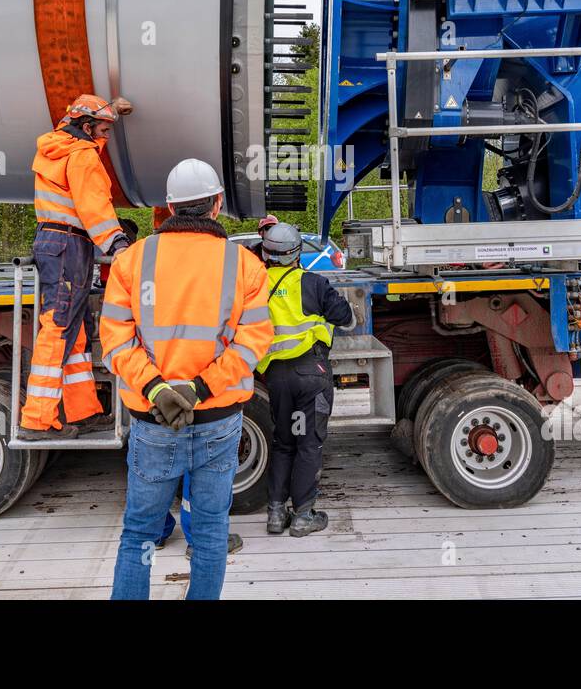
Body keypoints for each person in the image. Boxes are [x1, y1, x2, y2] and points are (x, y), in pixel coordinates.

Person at [102, 158, 272, 600]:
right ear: (217, 205)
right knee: (212, 531)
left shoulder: (131, 261)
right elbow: (252, 345)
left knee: (139, 532)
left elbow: (116, 342)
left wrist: (158, 389)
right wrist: (198, 389)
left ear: (170, 207)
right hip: (218, 418)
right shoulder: (245, 264)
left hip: (154, 420)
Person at [18, 94, 134, 440]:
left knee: (74, 329)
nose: (107, 136)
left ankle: (82, 412)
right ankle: (37, 421)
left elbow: (80, 122)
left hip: (60, 241)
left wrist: (111, 109)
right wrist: (116, 241)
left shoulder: (59, 147)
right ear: (86, 127)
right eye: (103, 128)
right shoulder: (82, 157)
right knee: (58, 326)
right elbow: (93, 204)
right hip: (70, 242)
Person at [257, 223, 355, 537]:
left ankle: (275, 514)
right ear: (297, 253)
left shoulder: (254, 287)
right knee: (308, 445)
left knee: (283, 444)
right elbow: (347, 319)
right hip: (311, 375)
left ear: (265, 254)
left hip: (276, 377)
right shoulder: (313, 284)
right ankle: (302, 516)